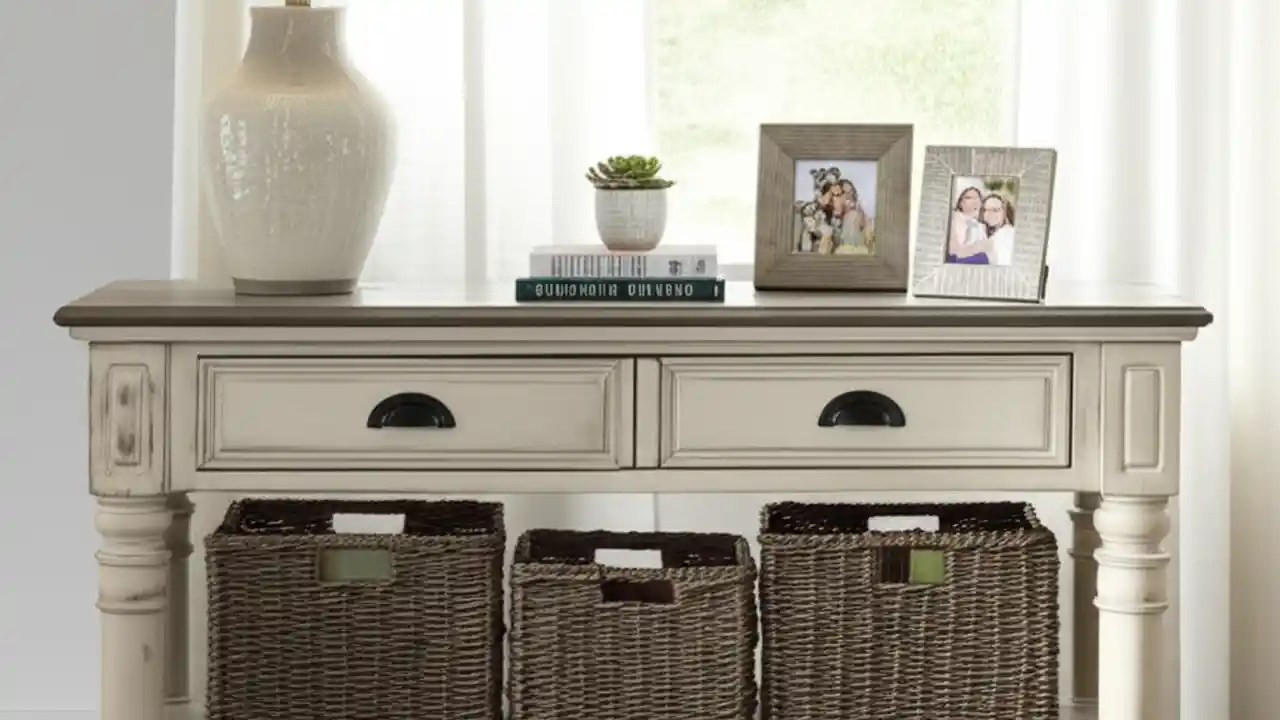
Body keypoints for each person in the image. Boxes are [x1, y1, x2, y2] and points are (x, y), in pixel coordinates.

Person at [947, 186, 989, 264]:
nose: (974, 201)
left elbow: (986, 248)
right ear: (960, 202)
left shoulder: (981, 226)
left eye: (977, 198)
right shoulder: (953, 220)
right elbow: (954, 252)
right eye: (969, 198)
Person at [834, 178, 870, 253]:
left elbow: (863, 225)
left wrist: (860, 212)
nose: (849, 194)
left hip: (858, 243)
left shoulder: (859, 206)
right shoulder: (838, 207)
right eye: (845, 192)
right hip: (844, 243)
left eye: (851, 191)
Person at [982, 193, 1016, 266]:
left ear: (1005, 213)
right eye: (985, 210)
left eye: (995, 210)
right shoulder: (994, 235)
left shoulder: (1005, 235)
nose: (989, 213)